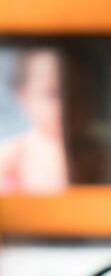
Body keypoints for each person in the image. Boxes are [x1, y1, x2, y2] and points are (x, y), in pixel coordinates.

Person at [0, 48, 68, 193]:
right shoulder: (15, 154)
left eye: (74, 94)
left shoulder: (97, 150)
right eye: (51, 94)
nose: (64, 105)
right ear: (23, 96)